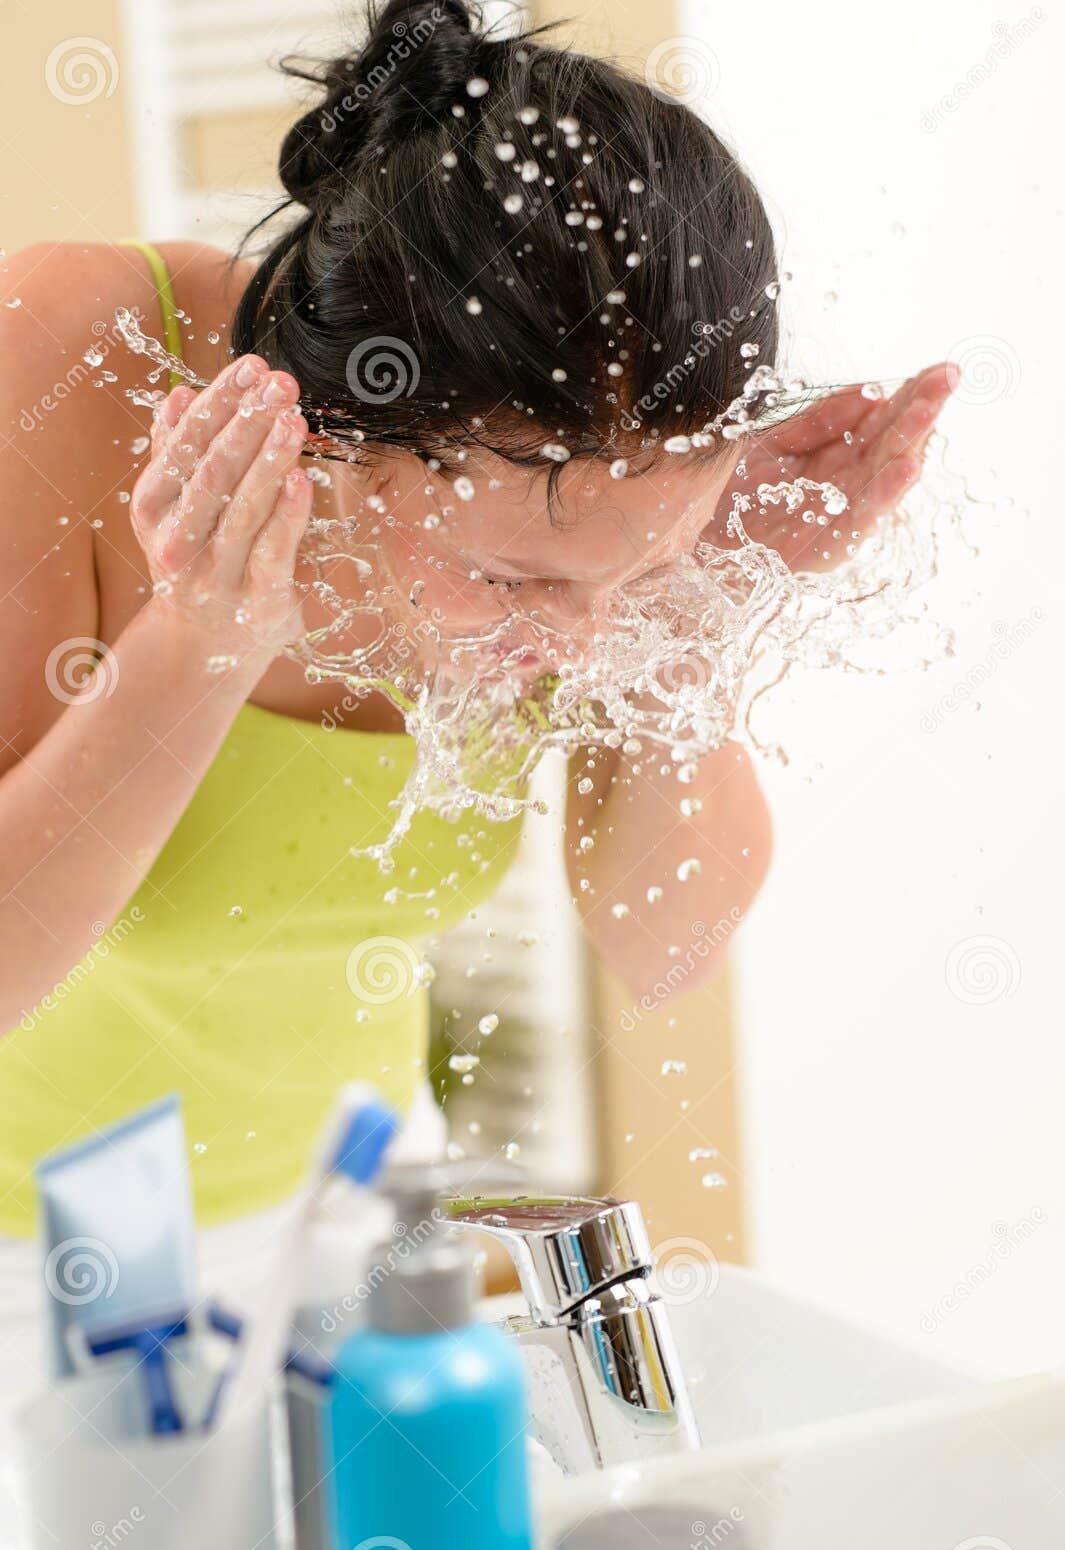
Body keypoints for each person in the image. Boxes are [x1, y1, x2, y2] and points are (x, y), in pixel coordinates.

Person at [0, 0, 954, 1239]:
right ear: (338, 432)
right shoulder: (79, 354)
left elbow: (663, 949)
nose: (576, 638)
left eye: (642, 561)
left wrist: (709, 609)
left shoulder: (603, 525)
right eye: (513, 582)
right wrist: (202, 642)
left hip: (345, 1214)